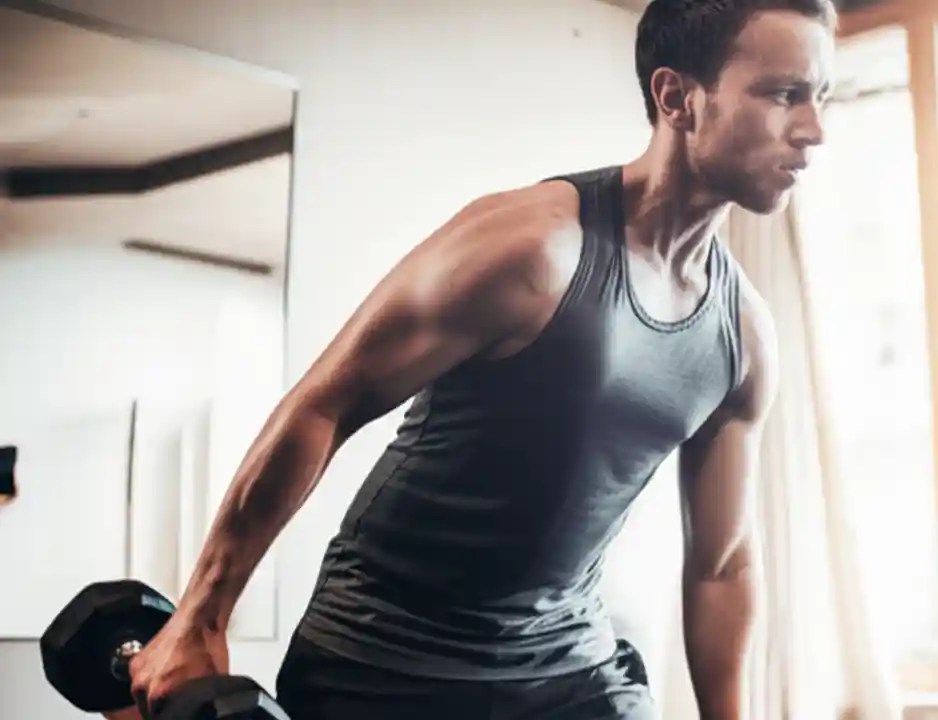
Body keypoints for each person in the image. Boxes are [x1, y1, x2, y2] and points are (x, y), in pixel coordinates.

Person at [127, 0, 834, 717]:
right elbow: (324, 404)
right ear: (677, 97)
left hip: (572, 669)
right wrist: (199, 617)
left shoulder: (742, 335)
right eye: (785, 94)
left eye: (821, 98)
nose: (813, 131)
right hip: (384, 662)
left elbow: (722, 564)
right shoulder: (530, 248)